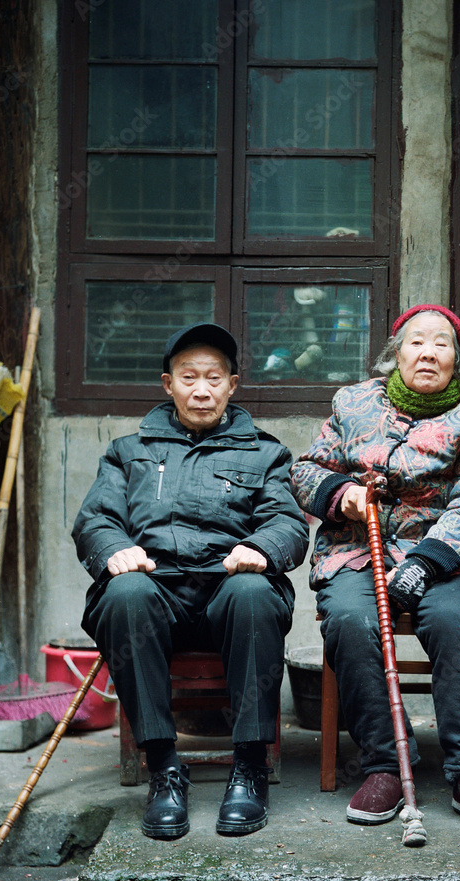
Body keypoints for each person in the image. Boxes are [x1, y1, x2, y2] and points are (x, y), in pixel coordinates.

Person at [72, 323, 309, 840]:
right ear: (168, 384)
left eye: (214, 378)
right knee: (125, 593)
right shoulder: (127, 452)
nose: (202, 389)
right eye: (189, 377)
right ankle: (164, 768)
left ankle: (248, 768)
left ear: (232, 384)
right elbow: (95, 519)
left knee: (253, 593)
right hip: (157, 594)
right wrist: (115, 550)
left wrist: (261, 548)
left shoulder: (266, 454)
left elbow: (288, 523)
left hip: (228, 591)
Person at [291, 304, 460, 835]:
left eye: (442, 344)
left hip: (443, 557)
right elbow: (306, 470)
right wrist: (339, 494)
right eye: (417, 342)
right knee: (350, 619)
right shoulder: (353, 402)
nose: (428, 352)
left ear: (457, 360)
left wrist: (426, 562)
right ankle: (385, 764)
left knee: (450, 622)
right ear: (396, 353)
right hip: (357, 549)